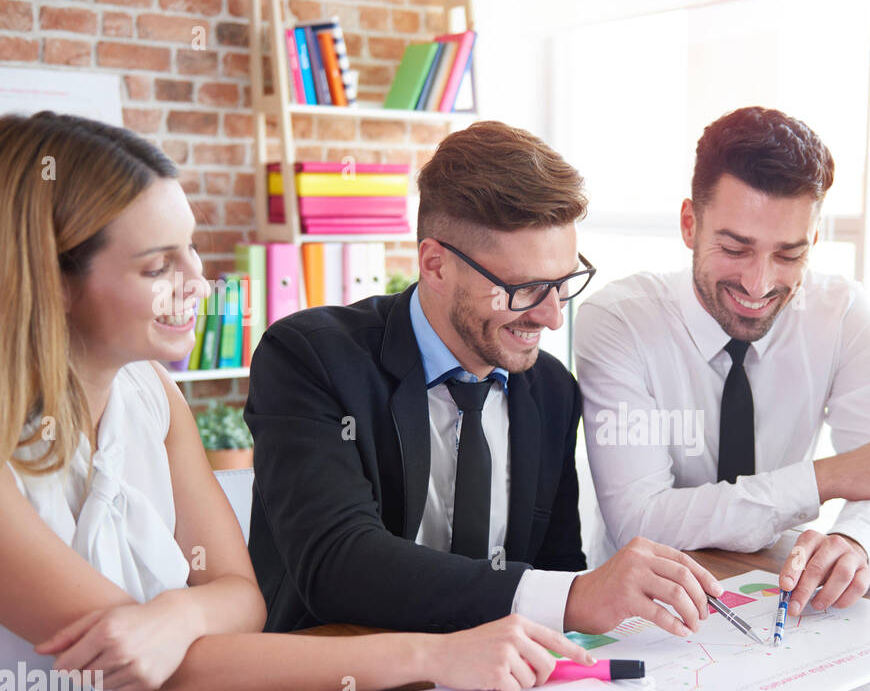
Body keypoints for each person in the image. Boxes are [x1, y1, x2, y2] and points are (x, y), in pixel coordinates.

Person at [0, 112, 596, 691]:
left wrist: (177, 608)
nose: (199, 283)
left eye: (192, 247)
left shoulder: (151, 397)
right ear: (50, 280)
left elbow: (239, 600)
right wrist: (438, 654)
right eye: (158, 265)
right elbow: (162, 673)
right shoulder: (308, 355)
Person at [245, 121, 724, 641]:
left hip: (494, 689)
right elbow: (337, 563)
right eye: (524, 290)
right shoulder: (309, 357)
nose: (551, 318)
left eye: (563, 285)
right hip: (336, 687)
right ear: (435, 265)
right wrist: (574, 596)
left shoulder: (551, 389)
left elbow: (554, 565)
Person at [576, 107, 870, 617]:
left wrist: (855, 542)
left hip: (776, 601)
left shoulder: (842, 314)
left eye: (788, 256)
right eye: (735, 248)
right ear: (688, 224)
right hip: (642, 614)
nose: (759, 284)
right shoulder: (619, 321)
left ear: (813, 241)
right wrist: (823, 479)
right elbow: (640, 520)